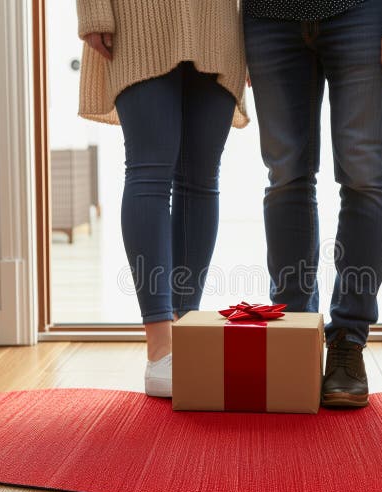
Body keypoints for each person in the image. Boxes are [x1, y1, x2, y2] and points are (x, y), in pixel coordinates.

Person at [243, 0, 382, 407]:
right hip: (266, 17)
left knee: (364, 174)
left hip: (362, 11)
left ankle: (348, 340)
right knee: (284, 178)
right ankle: (293, 333)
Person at [76, 0, 247, 397]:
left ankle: (185, 338)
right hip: (138, 14)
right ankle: (160, 349)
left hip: (217, 17)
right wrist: (93, 11)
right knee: (149, 171)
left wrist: (252, 33)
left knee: (202, 179)